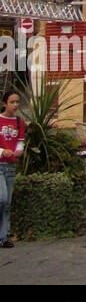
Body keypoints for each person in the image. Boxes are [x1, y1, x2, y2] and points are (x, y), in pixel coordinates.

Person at [0, 91, 25, 248]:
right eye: (11, 102)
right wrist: (3, 151)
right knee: (1, 198)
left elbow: (20, 141)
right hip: (0, 163)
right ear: (4, 104)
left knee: (7, 202)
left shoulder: (19, 121)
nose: (15, 105)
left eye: (17, 102)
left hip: (11, 165)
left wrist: (18, 150)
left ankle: (4, 236)